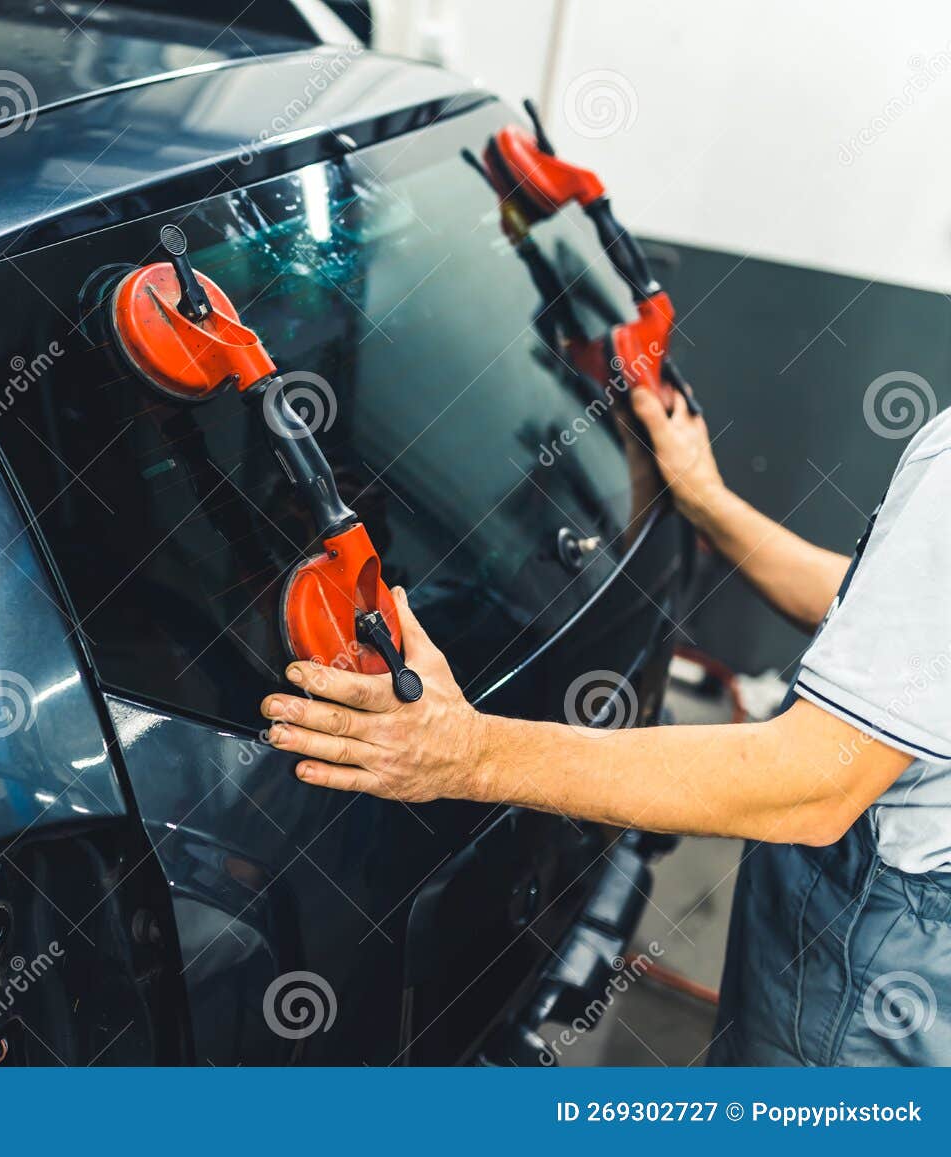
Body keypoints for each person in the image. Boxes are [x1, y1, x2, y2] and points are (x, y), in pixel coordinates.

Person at [261, 384, 951, 1065]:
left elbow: (812, 782)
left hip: (878, 959)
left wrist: (469, 754)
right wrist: (707, 503)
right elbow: (879, 614)